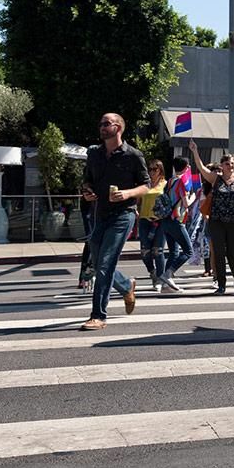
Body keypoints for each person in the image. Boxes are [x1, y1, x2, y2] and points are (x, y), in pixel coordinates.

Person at [79, 113, 150, 331]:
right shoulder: (94, 154)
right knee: (100, 263)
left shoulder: (133, 155)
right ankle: (127, 285)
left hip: (123, 215)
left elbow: (146, 185)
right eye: (100, 123)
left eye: (106, 124)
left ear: (118, 127)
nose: (101, 127)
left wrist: (128, 194)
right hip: (100, 213)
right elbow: (87, 180)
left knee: (106, 263)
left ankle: (98, 315)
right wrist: (87, 191)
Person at [192, 142, 234, 295]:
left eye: (232, 163)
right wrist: (195, 151)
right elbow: (201, 168)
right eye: (227, 163)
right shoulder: (215, 179)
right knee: (218, 252)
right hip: (216, 221)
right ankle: (221, 284)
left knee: (232, 253)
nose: (230, 166)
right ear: (221, 165)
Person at [158, 156, 195, 293]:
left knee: (173, 252)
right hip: (177, 221)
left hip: (166, 221)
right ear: (186, 168)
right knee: (188, 251)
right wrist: (193, 197)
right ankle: (167, 275)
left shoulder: (169, 182)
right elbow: (186, 203)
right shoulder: (181, 182)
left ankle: (165, 286)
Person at [137, 159, 167, 292]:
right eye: (150, 169)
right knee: (145, 252)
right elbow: (137, 199)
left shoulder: (165, 184)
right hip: (144, 219)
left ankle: (161, 278)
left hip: (159, 220)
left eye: (155, 169)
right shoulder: (145, 185)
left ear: (160, 170)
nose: (152, 172)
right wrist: (136, 211)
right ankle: (152, 272)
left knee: (158, 251)